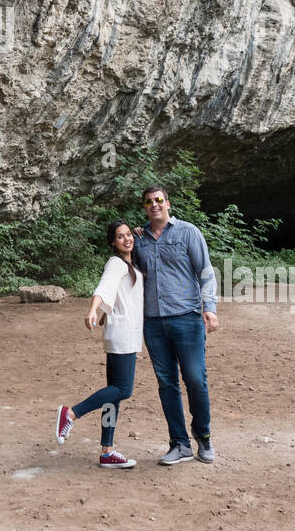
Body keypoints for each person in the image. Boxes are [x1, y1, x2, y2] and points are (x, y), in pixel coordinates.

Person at [131, 184, 219, 465]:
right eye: (148, 202)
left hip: (186, 318)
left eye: (158, 200)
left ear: (168, 204)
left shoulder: (188, 232)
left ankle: (203, 437)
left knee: (195, 379)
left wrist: (210, 308)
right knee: (167, 383)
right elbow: (130, 273)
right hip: (154, 323)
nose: (154, 204)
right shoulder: (140, 240)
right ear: (144, 207)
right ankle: (179, 444)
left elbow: (204, 271)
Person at [55, 220, 144, 469]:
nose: (126, 239)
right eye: (120, 236)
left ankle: (107, 451)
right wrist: (93, 309)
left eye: (128, 234)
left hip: (123, 332)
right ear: (112, 243)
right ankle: (70, 413)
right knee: (123, 390)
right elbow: (103, 288)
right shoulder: (116, 264)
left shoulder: (131, 263)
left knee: (112, 395)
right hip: (122, 334)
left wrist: (140, 233)